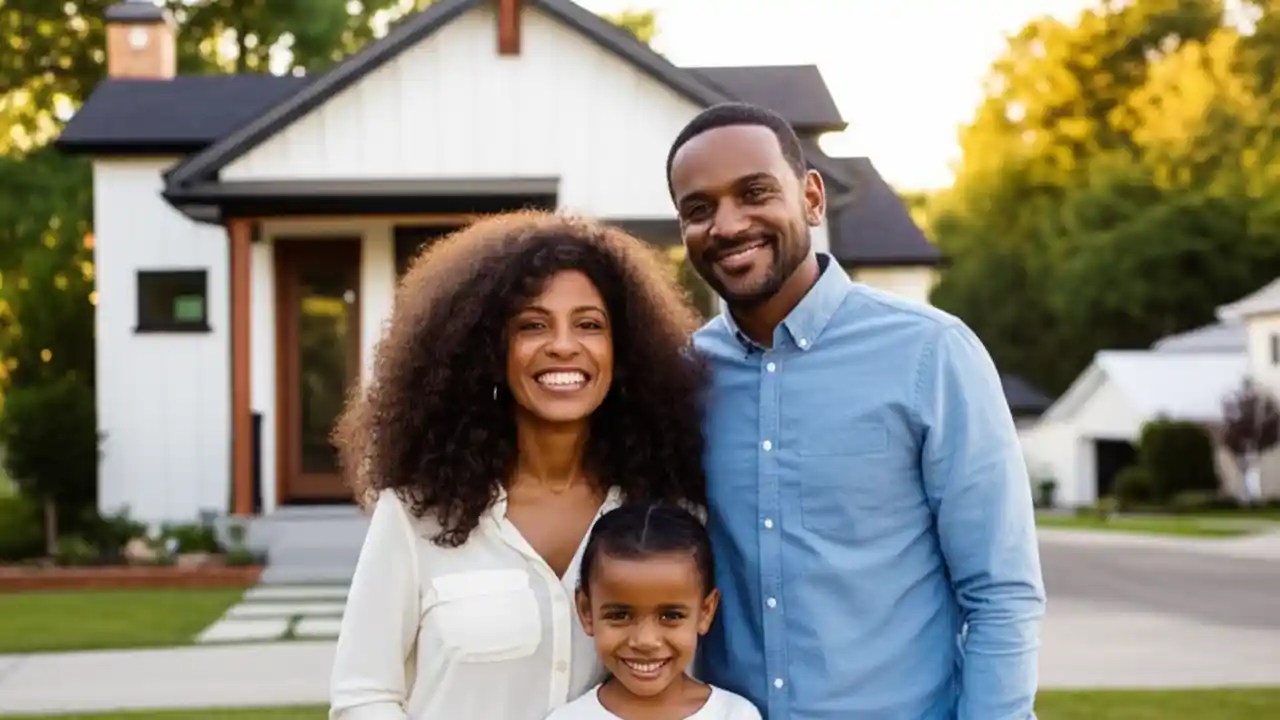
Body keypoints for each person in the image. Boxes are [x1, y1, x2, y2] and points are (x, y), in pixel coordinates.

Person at [665, 102, 1046, 719]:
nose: (728, 225)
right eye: (699, 209)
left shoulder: (931, 353)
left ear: (812, 198)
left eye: (755, 192)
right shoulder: (681, 380)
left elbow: (1000, 590)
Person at [327, 210, 709, 720]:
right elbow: (363, 697)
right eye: (532, 324)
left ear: (624, 353)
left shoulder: (663, 515)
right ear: (489, 351)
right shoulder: (417, 513)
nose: (563, 345)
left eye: (590, 325)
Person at [547, 503, 761, 720]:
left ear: (705, 612)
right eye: (620, 616)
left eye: (671, 616)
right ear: (586, 610)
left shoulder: (734, 715)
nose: (645, 641)